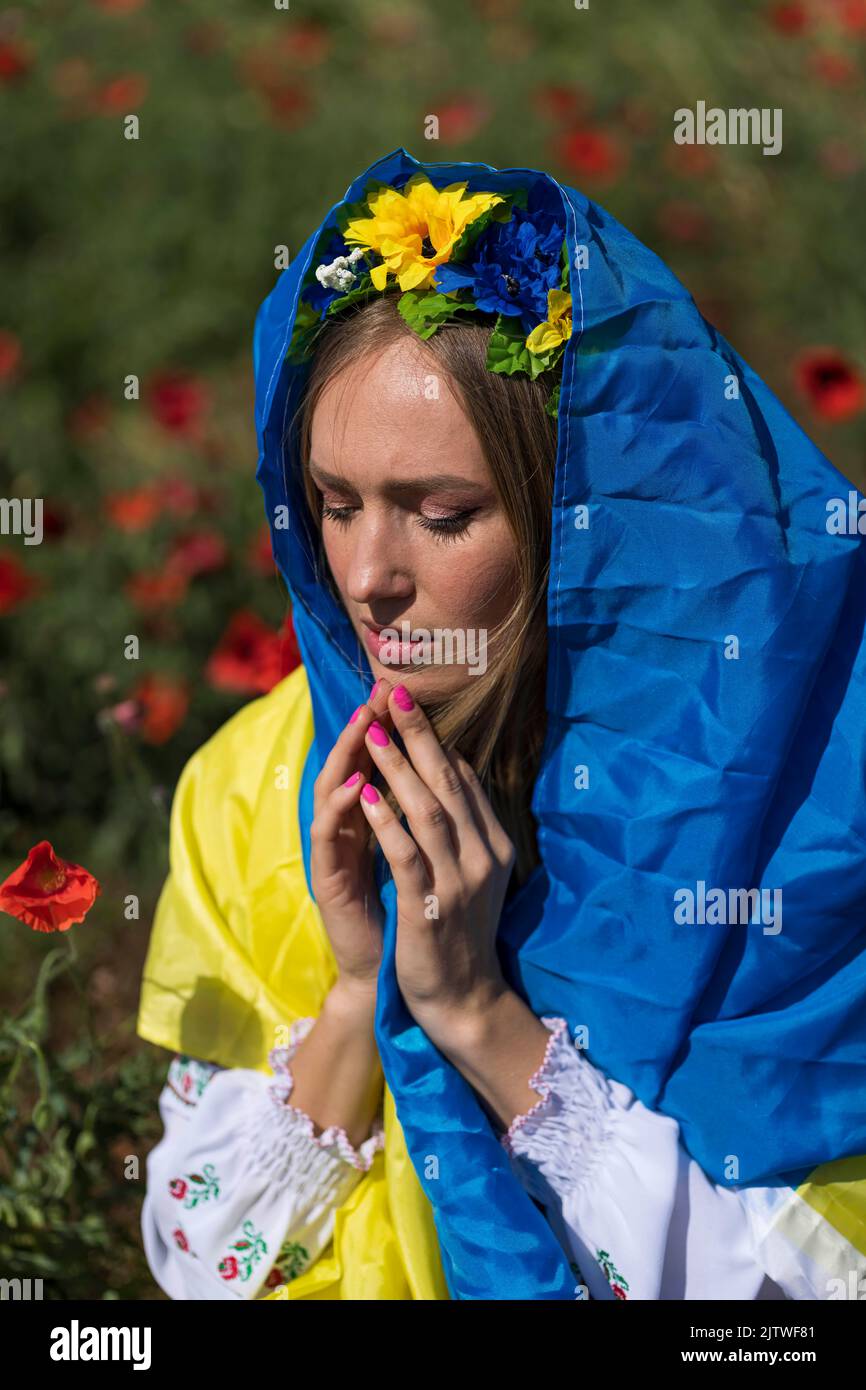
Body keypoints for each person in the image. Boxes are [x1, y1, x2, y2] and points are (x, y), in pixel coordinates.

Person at [137, 148, 866, 1301]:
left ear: (585, 523)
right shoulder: (262, 787)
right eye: (332, 505)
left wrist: (477, 1018)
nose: (368, 575)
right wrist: (355, 988)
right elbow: (201, 1266)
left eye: (441, 514)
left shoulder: (799, 801)